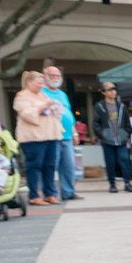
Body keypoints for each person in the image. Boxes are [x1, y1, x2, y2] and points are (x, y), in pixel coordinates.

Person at [13, 70, 64, 205]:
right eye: (39, 83)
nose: (41, 86)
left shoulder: (42, 95)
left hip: (50, 135)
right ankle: (33, 195)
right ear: (29, 82)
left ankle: (50, 193)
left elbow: (51, 112)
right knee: (34, 166)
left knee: (50, 166)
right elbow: (27, 114)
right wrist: (44, 106)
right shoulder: (21, 96)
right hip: (33, 138)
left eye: (42, 83)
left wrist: (56, 109)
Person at [42, 63, 81, 201]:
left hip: (67, 136)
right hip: (51, 135)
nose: (55, 78)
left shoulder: (62, 94)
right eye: (52, 75)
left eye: (58, 75)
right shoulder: (41, 93)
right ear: (45, 77)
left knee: (69, 166)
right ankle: (50, 194)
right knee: (51, 166)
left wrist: (74, 132)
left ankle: (68, 192)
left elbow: (68, 113)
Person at [92, 82, 132, 193]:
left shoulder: (121, 106)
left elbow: (127, 122)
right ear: (103, 92)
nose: (113, 92)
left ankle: (127, 183)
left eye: (114, 90)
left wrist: (127, 133)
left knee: (124, 160)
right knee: (110, 162)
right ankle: (112, 184)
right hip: (107, 140)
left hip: (121, 138)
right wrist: (102, 134)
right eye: (110, 90)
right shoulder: (100, 106)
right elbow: (96, 122)